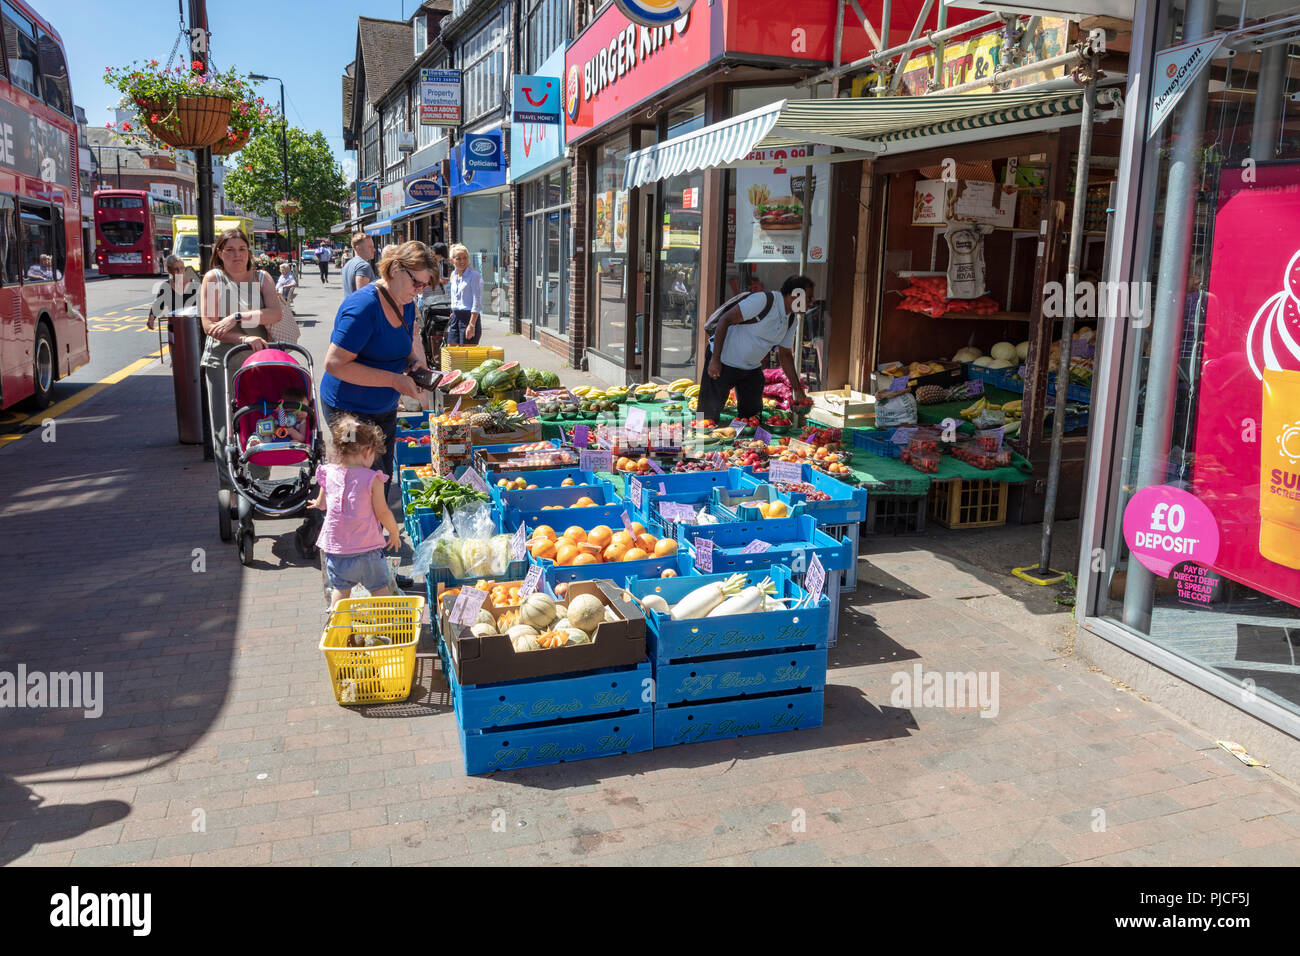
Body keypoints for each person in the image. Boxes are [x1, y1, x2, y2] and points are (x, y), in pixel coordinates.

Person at [320, 240, 434, 495]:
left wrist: (413, 363)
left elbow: (400, 347)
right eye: (417, 283)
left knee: (380, 479)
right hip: (347, 410)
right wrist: (394, 381)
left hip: (383, 408)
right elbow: (334, 364)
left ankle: (370, 533)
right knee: (359, 486)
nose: (419, 290)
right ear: (395, 269)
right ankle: (330, 529)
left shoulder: (406, 304)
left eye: (425, 285)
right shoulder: (364, 307)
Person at [200, 228, 282, 483]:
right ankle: (231, 488)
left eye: (242, 249)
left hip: (257, 362)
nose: (237, 255)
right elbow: (209, 326)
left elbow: (274, 313)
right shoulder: (213, 279)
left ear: (249, 252)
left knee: (261, 418)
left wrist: (239, 317)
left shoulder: (261, 278)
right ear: (220, 254)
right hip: (222, 361)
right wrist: (243, 338)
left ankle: (260, 483)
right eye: (230, 250)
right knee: (223, 427)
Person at [311, 414, 403, 608]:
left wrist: (318, 502)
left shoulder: (329, 471)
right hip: (367, 550)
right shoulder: (372, 478)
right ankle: (385, 628)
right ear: (367, 451)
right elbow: (383, 512)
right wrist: (394, 532)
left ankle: (338, 625)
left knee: (340, 590)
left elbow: (322, 500)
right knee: (379, 589)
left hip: (337, 552)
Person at [699, 275, 812, 424]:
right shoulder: (763, 301)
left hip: (751, 369)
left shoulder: (791, 320)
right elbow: (725, 320)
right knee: (706, 416)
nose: (811, 303)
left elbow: (785, 355)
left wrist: (797, 389)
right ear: (794, 296)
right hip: (723, 362)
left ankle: (744, 445)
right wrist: (715, 359)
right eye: (808, 298)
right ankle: (698, 442)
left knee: (752, 419)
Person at [148, 255, 197, 331]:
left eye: (182, 268)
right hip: (175, 327)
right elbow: (157, 305)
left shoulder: (194, 285)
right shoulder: (166, 287)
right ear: (169, 270)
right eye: (176, 269)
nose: (180, 271)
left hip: (193, 326)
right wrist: (151, 319)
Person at [446, 242, 482, 345]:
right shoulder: (453, 274)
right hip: (455, 316)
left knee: (466, 356)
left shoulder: (474, 275)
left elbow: (477, 301)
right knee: (451, 352)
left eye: (465, 258)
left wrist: (471, 324)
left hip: (469, 316)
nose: (462, 261)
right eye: (458, 258)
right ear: (452, 260)